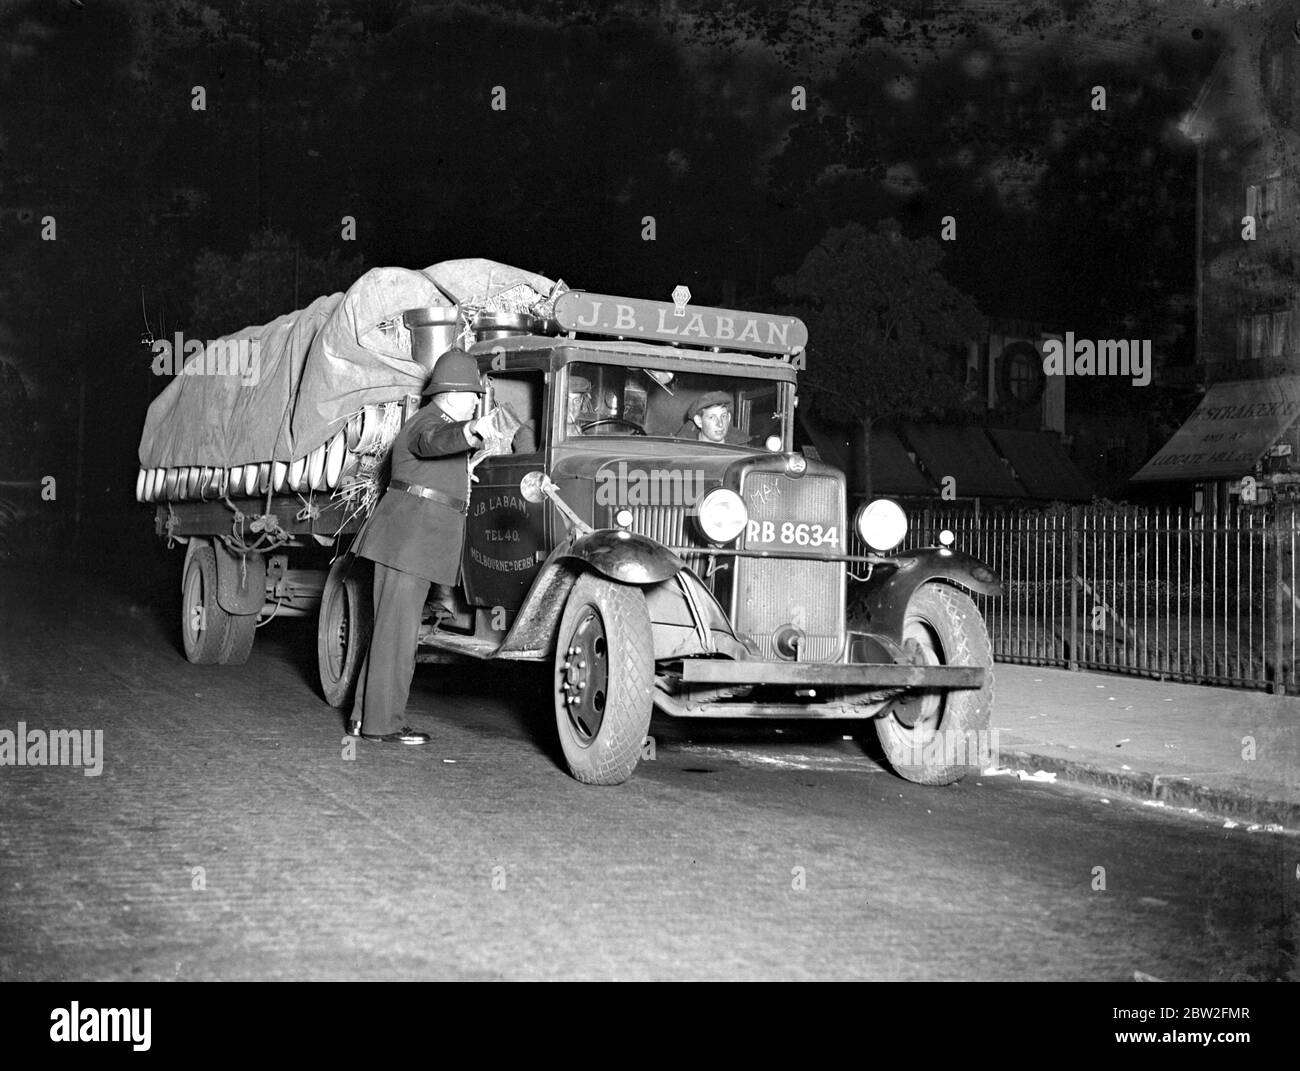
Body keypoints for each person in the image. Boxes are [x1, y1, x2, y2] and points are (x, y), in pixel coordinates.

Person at [346, 349, 495, 744]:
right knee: (397, 636)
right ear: (451, 393)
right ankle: (383, 725)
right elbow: (433, 442)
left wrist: (463, 474)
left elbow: (434, 460)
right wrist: (469, 433)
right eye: (472, 393)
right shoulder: (429, 423)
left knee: (391, 634)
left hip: (411, 544)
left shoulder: (436, 422)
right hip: (408, 543)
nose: (476, 400)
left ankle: (365, 718)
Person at [679, 391, 744, 443]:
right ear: (699, 421)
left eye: (723, 416)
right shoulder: (682, 451)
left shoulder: (745, 449)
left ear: (729, 418)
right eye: (712, 417)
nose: (720, 424)